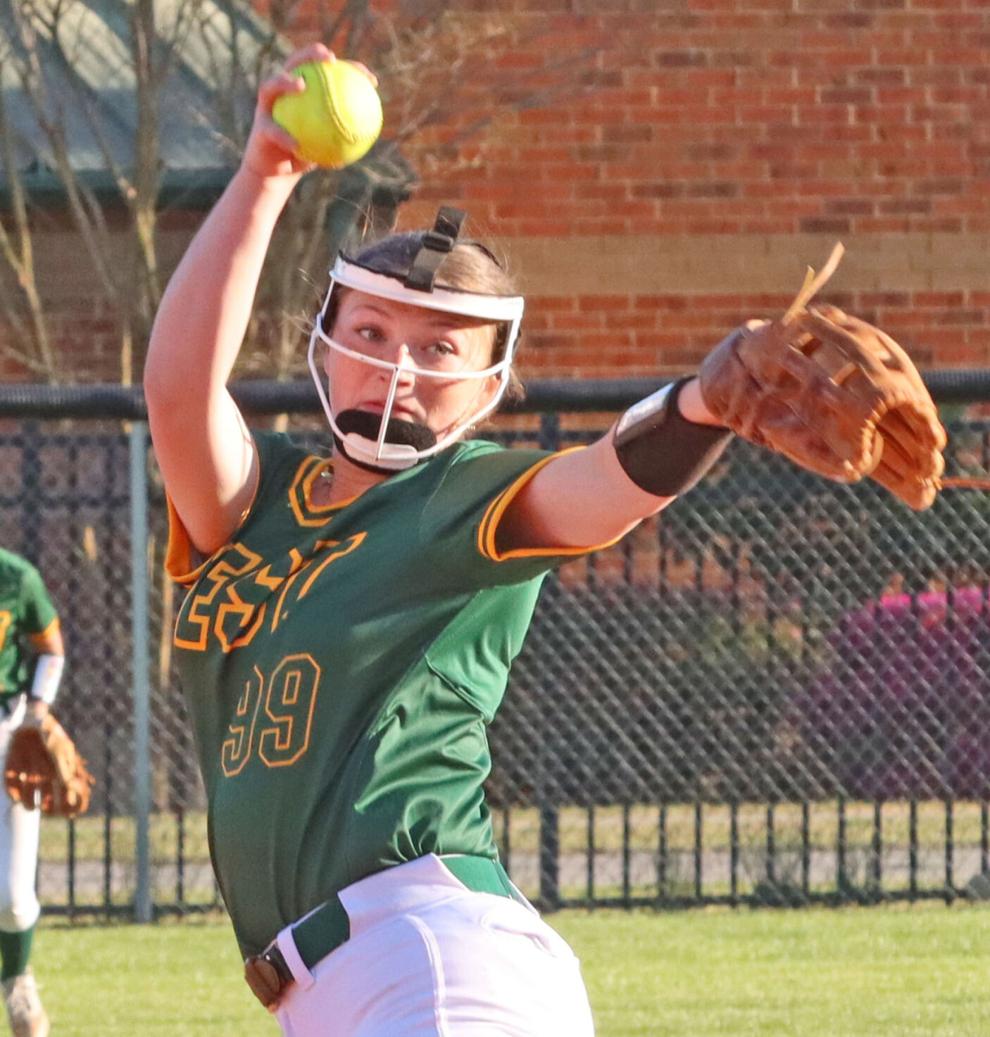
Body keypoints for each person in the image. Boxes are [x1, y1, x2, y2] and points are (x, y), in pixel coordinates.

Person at [145, 42, 940, 1037]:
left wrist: (700, 404)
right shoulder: (256, 498)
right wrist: (265, 174)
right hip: (335, 985)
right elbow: (178, 389)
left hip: (428, 954)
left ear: (489, 385)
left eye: (441, 345)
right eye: (375, 331)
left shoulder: (463, 492)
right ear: (325, 340)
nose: (400, 365)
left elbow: (602, 486)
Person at [0, 548, 65, 1037]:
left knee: (14, 899)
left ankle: (17, 978)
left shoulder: (16, 578)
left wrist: (38, 714)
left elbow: (50, 648)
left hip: (7, 738)